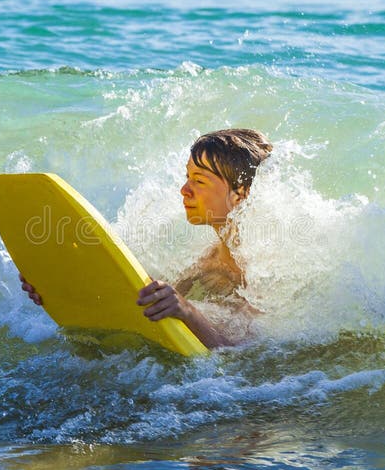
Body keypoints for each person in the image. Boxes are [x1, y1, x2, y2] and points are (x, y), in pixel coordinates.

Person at [21, 128, 272, 347]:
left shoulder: (262, 268)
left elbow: (248, 354)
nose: (184, 190)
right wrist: (62, 289)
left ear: (240, 194)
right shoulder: (210, 256)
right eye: (187, 177)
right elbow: (144, 306)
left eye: (199, 181)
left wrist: (187, 311)